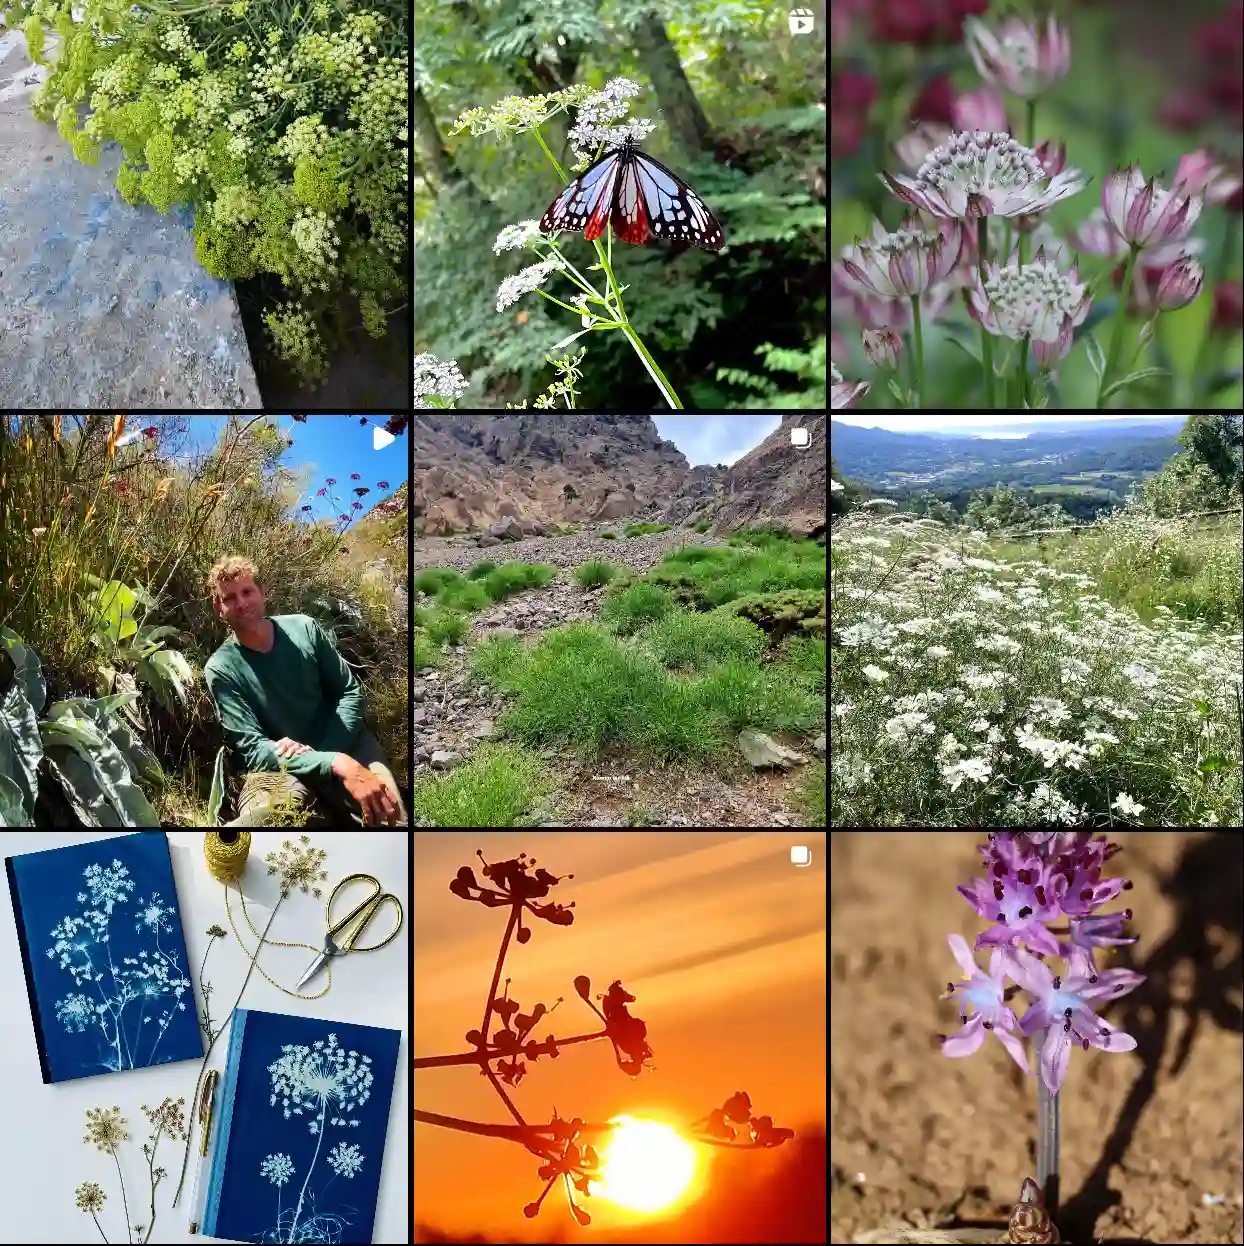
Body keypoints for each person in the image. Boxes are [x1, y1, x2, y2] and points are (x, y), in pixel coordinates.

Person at [203, 554, 406, 827]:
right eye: (229, 598)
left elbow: (349, 692)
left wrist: (328, 756)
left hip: (347, 745)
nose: (241, 603)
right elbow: (252, 748)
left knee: (389, 817)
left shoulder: (304, 629)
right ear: (219, 608)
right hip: (284, 768)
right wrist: (324, 762)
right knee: (263, 822)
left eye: (247, 591)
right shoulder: (221, 668)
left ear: (263, 593)